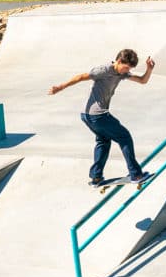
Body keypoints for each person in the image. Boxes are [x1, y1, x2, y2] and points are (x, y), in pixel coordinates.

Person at [49, 48, 155, 186]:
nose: (126, 71)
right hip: (97, 115)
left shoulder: (122, 74)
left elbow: (142, 80)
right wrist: (61, 87)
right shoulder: (104, 70)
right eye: (125, 67)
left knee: (104, 141)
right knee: (124, 136)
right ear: (118, 61)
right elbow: (81, 77)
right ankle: (135, 174)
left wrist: (149, 69)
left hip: (88, 116)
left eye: (129, 68)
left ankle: (96, 177)